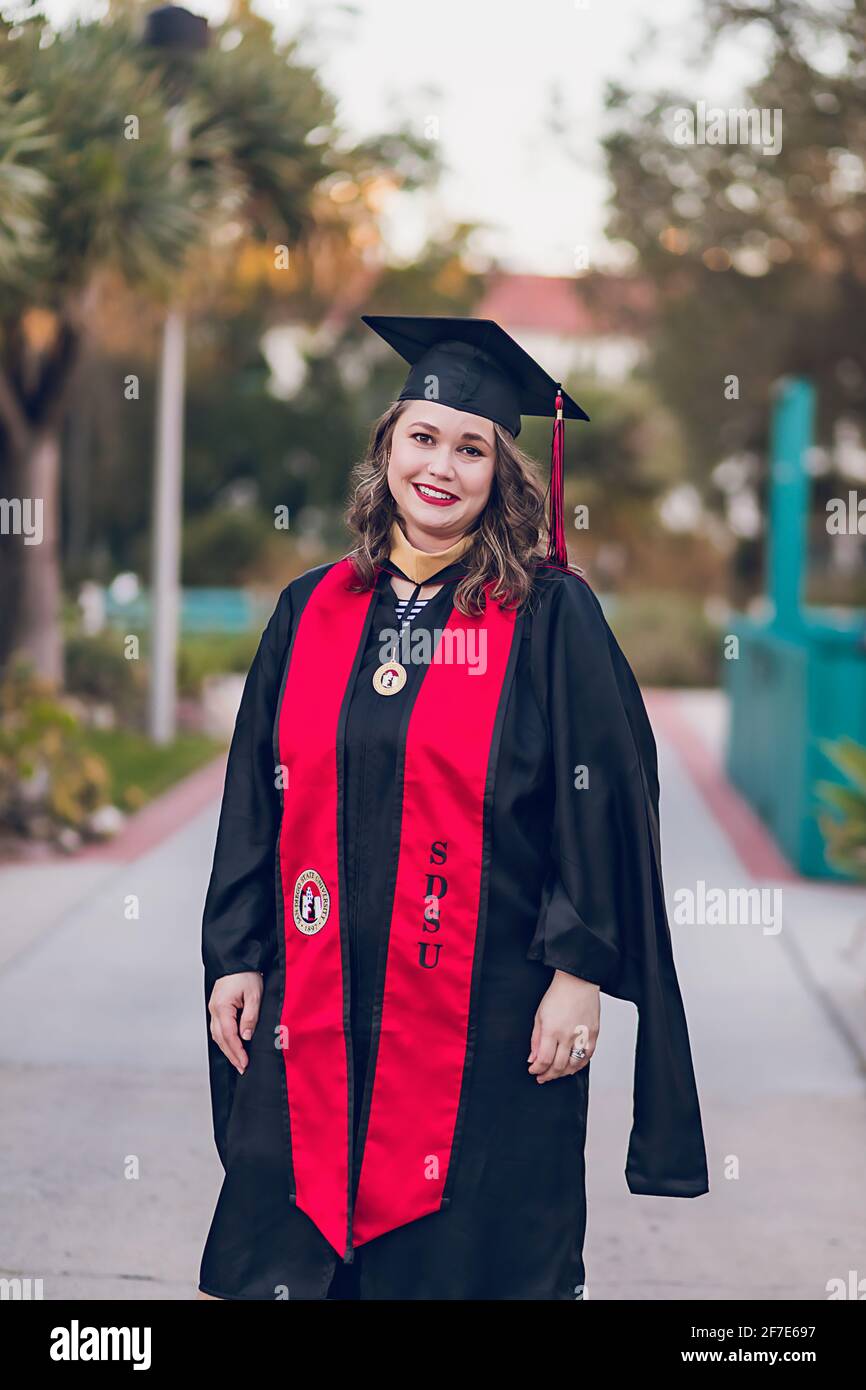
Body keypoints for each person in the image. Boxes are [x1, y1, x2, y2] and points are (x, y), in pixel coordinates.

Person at [196, 315, 709, 1302]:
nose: (440, 466)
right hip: (318, 995)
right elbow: (256, 793)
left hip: (488, 1010)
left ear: (500, 474)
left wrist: (576, 970)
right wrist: (237, 950)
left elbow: (599, 802)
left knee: (471, 1258)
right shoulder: (311, 609)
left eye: (469, 448)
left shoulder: (547, 616)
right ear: (386, 446)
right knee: (298, 1243)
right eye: (422, 438)